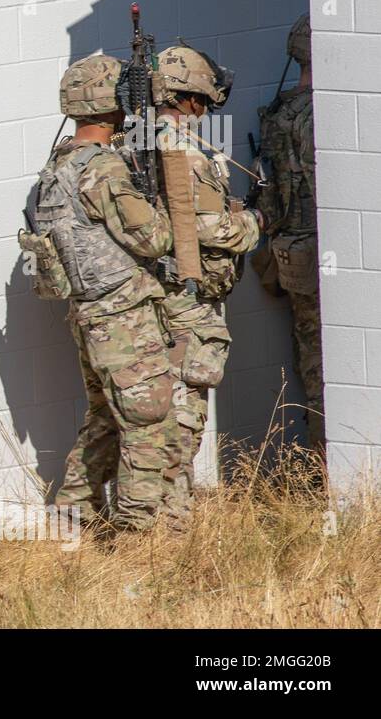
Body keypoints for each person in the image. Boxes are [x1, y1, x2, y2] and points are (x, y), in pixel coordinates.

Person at [33, 55, 181, 532]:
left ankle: (70, 518)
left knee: (104, 418)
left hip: (90, 315)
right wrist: (159, 203)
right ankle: (139, 537)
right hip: (122, 318)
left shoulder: (57, 167)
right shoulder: (103, 171)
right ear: (110, 103)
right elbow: (153, 239)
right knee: (147, 425)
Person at [151, 45, 264, 526]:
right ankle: (171, 524)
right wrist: (255, 222)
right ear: (191, 99)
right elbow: (205, 229)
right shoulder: (180, 151)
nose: (206, 112)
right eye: (204, 102)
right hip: (187, 301)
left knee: (157, 414)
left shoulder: (135, 142)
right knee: (184, 413)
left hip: (155, 297)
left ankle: (160, 512)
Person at [255, 14, 323, 463]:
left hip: (295, 254)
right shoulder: (320, 115)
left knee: (315, 364)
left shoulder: (280, 110)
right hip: (321, 253)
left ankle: (324, 463)